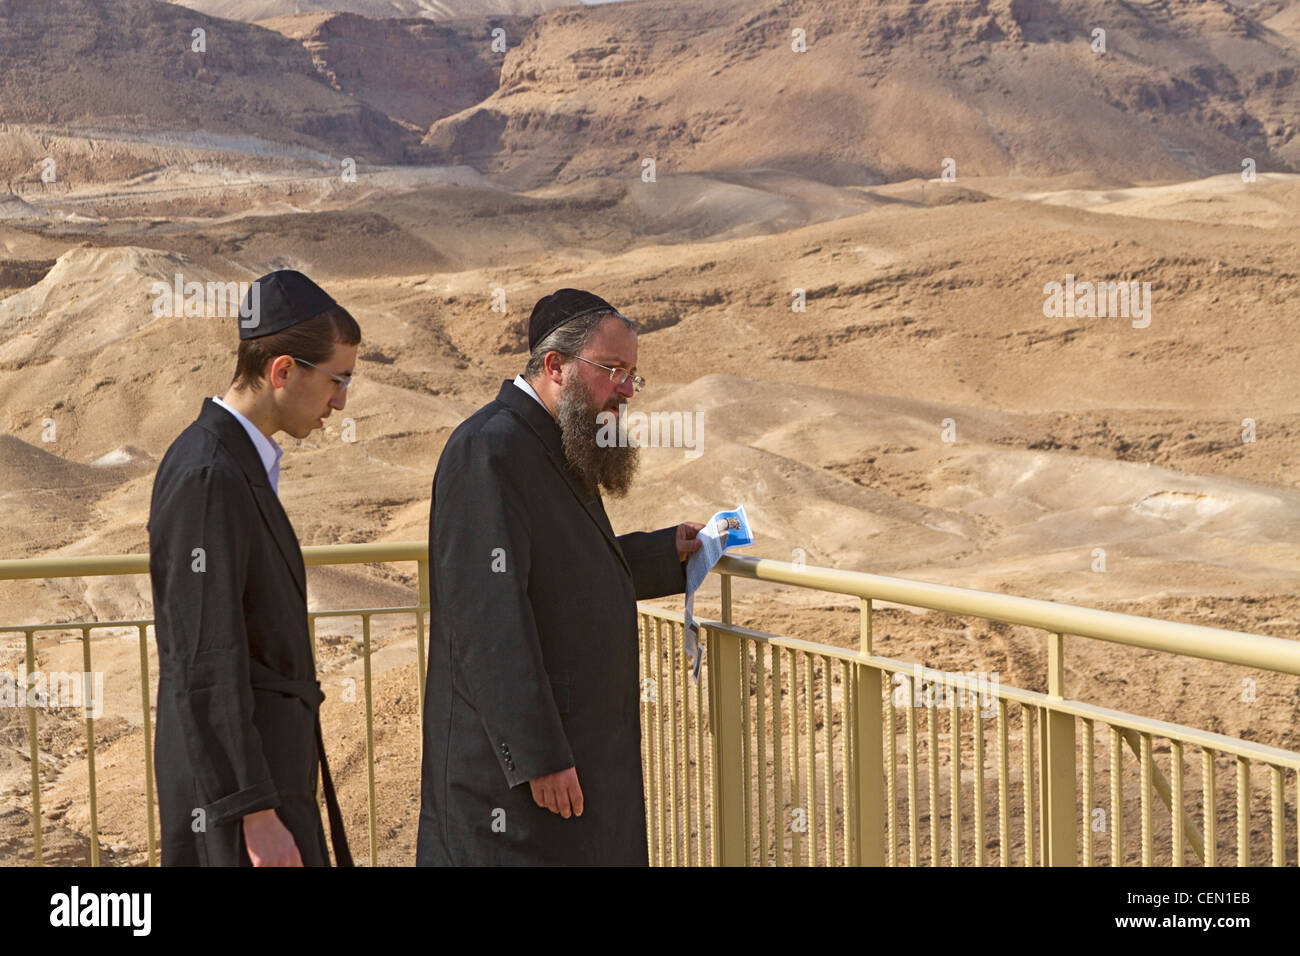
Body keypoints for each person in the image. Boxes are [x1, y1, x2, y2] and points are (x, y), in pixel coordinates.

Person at [417, 288, 703, 866]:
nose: (626, 389)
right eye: (613, 370)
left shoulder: (556, 440)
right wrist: (539, 754)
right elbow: (487, 615)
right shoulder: (490, 448)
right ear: (555, 366)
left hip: (577, 765)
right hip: (515, 790)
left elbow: (564, 567)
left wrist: (666, 554)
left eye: (632, 375)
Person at [147, 270, 358, 867]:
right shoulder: (210, 476)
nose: (341, 402)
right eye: (337, 380)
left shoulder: (235, 462)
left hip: (261, 781)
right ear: (283, 370)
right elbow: (205, 657)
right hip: (237, 803)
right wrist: (254, 814)